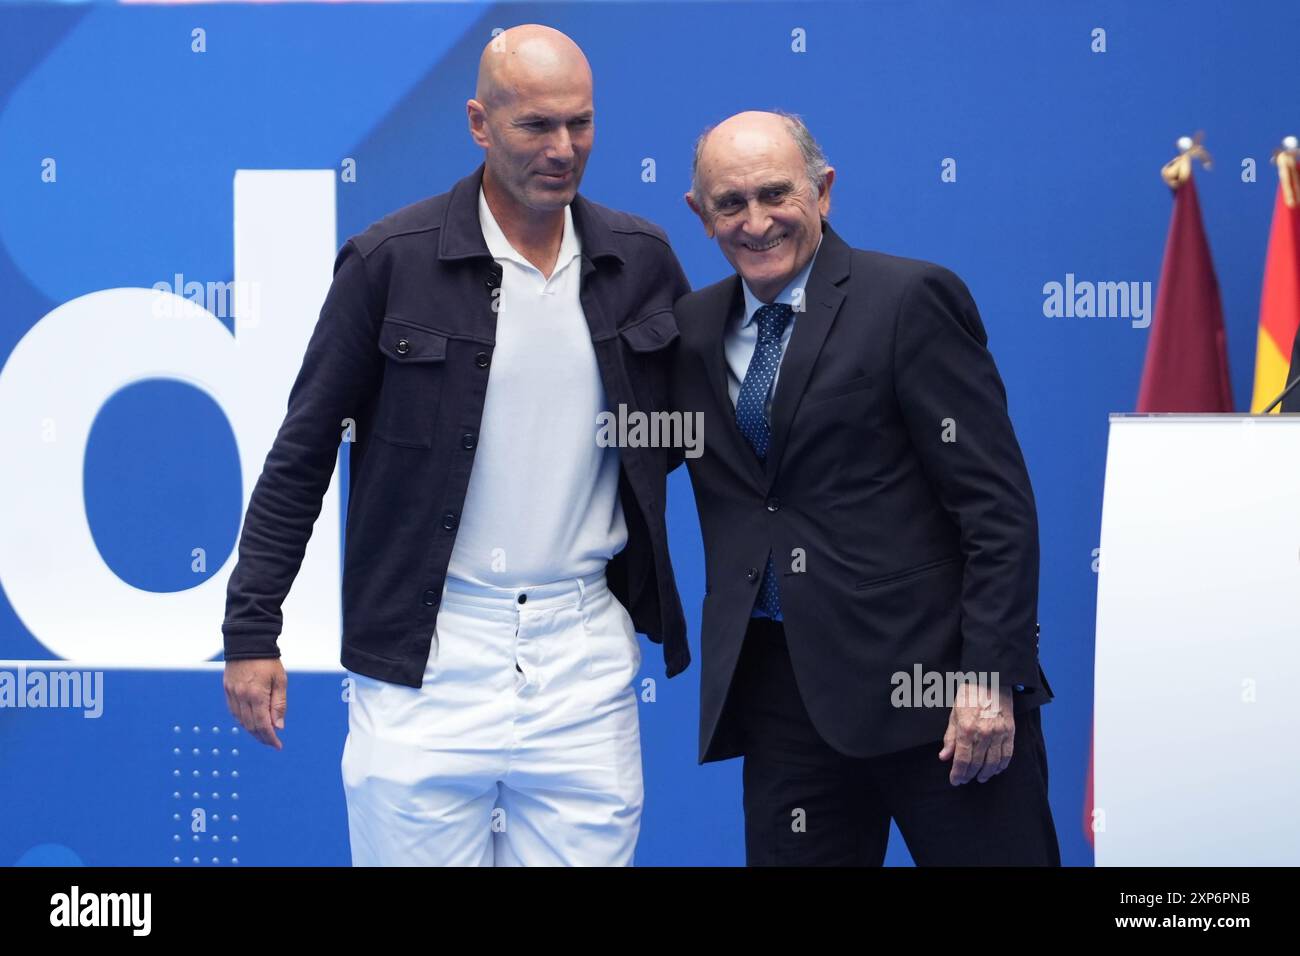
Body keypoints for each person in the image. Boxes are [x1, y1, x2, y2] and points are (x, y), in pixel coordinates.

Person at [222, 24, 690, 866]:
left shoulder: (641, 260)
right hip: (425, 660)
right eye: (535, 126)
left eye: (580, 123)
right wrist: (252, 630)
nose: (563, 148)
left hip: (583, 655)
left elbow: (709, 443)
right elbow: (302, 454)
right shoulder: (387, 262)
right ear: (479, 123)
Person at [670, 110, 1059, 865]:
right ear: (699, 214)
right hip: (783, 702)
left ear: (824, 191)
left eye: (776, 194)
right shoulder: (691, 330)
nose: (756, 222)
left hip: (940, 701)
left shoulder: (908, 300)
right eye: (730, 203)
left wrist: (989, 676)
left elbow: (996, 508)